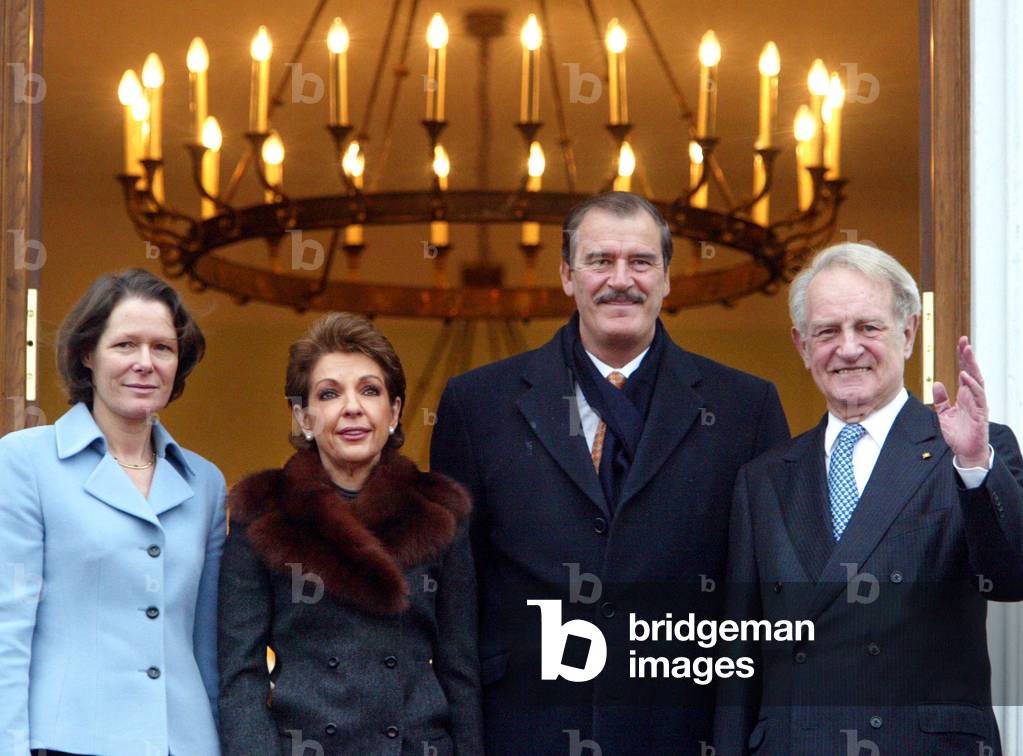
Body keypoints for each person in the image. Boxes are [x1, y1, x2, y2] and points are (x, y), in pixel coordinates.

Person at [430, 191, 790, 754]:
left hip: (682, 729)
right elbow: (456, 597)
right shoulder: (478, 404)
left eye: (640, 262)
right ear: (568, 276)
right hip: (524, 727)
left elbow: (766, 602)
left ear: (667, 278)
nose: (620, 280)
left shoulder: (745, 409)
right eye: (600, 261)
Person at [713, 242, 1023, 755]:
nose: (849, 348)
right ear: (802, 345)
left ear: (908, 333)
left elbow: (1012, 577)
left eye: (868, 327)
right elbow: (738, 655)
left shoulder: (973, 447)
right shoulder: (763, 478)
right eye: (828, 331)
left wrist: (974, 465)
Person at [218, 313, 482, 756]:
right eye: (329, 394)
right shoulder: (263, 513)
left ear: (394, 411)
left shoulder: (440, 512)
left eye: (370, 390)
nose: (352, 408)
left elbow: (461, 669)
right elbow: (240, 674)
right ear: (304, 416)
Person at [0, 269, 225, 756]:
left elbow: (206, 643)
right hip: (65, 742)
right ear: (88, 353)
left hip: (182, 744)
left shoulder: (204, 482)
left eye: (162, 348)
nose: (145, 363)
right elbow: (7, 628)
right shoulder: (25, 461)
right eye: (125, 345)